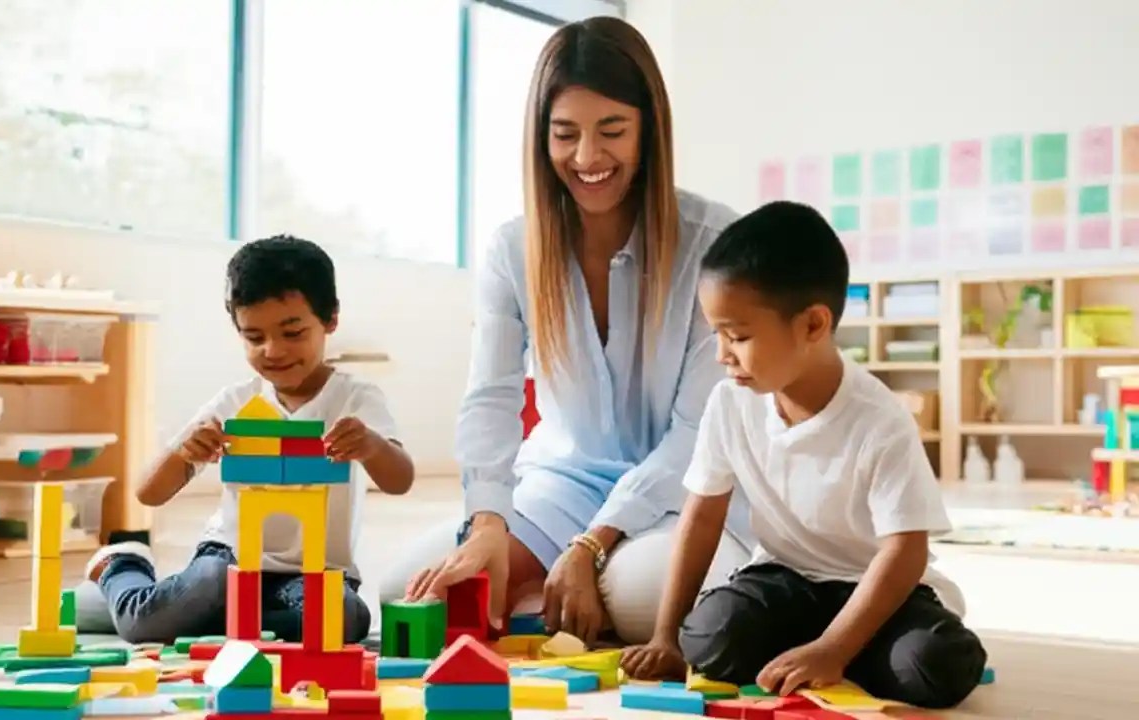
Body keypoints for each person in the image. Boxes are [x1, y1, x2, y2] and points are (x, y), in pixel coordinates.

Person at [380, 16, 754, 646]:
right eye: (565, 134)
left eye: (612, 131)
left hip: (682, 493)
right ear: (541, 138)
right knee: (406, 595)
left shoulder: (715, 244)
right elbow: (492, 400)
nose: (586, 158)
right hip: (562, 485)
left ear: (648, 132)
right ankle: (550, 596)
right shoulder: (512, 248)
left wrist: (591, 544)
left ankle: (559, 594)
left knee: (642, 598)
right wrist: (488, 524)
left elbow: (696, 435)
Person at [620, 201, 987, 709]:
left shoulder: (880, 419)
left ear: (814, 325)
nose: (723, 354)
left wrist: (834, 647)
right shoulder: (729, 401)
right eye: (717, 335)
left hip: (875, 588)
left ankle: (838, 648)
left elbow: (905, 551)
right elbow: (702, 515)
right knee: (706, 639)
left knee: (934, 664)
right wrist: (665, 636)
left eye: (739, 336)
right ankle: (823, 654)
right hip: (786, 579)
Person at [84, 235, 415, 644]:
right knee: (146, 623)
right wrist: (185, 450)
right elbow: (148, 494)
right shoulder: (236, 401)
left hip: (317, 570)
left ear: (330, 319)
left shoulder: (355, 399)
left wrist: (372, 447)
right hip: (229, 560)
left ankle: (223, 620)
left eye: (293, 333)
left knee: (345, 622)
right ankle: (123, 566)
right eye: (254, 337)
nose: (273, 351)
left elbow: (399, 480)